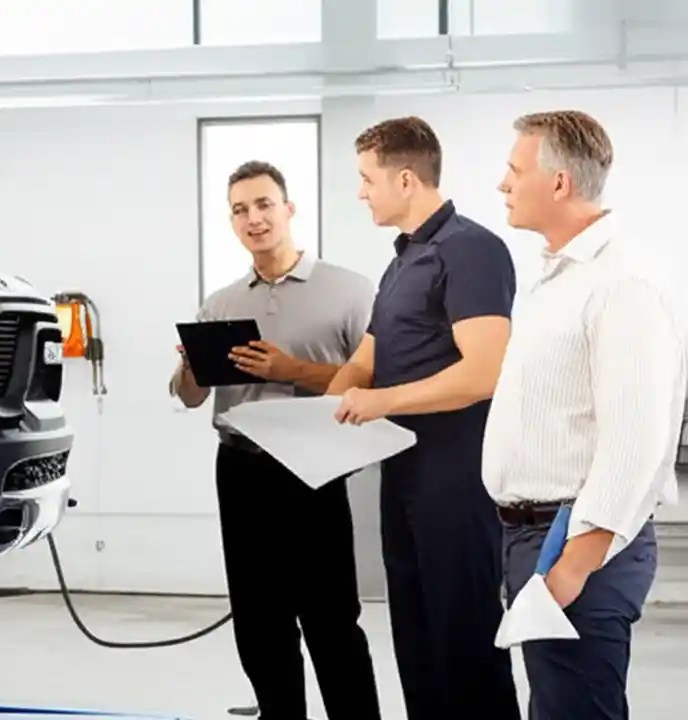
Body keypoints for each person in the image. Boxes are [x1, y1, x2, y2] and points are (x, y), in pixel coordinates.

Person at [483, 109, 685, 720]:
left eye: (515, 170)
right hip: (531, 537)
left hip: (574, 543)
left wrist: (574, 563)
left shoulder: (620, 282)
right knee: (554, 705)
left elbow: (635, 440)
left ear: (560, 183)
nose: (503, 183)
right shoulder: (556, 278)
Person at [171, 160, 381, 720]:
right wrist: (191, 366)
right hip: (240, 469)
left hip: (314, 465)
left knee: (330, 616)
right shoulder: (220, 305)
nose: (254, 218)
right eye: (240, 210)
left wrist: (287, 369)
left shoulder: (349, 291)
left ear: (289, 209)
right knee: (258, 618)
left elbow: (376, 382)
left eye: (264, 204)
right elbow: (191, 396)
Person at [326, 116, 521, 720]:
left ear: (405, 179)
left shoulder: (472, 250)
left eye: (367, 179)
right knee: (415, 638)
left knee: (463, 640)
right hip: (403, 476)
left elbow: (484, 372)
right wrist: (321, 411)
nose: (361, 192)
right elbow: (365, 360)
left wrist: (382, 401)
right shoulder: (401, 264)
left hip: (456, 477)